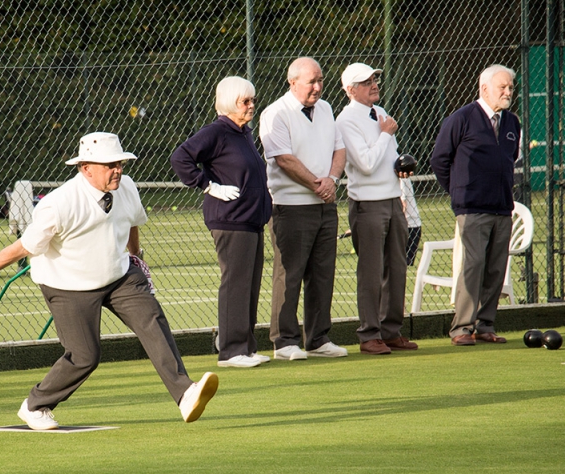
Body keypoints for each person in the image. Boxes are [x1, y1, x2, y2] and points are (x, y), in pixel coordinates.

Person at [0, 132, 218, 430]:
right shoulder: (59, 204)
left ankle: (185, 393)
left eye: (119, 163)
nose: (117, 169)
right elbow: (24, 247)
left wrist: (137, 256)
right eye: (109, 165)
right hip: (67, 284)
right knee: (85, 356)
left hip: (118, 274)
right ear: (85, 168)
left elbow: (131, 221)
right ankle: (35, 405)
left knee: (151, 318)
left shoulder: (127, 187)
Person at [170, 76, 273, 368]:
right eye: (245, 101)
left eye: (253, 100)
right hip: (231, 220)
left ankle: (246, 347)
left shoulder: (244, 133)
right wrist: (208, 185)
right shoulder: (217, 131)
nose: (252, 105)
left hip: (251, 220)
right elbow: (181, 157)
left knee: (250, 284)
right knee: (236, 283)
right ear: (230, 103)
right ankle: (230, 351)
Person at [259, 57, 348, 361]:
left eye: (321, 80)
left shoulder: (325, 109)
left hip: (326, 205)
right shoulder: (275, 113)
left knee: (323, 274)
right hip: (290, 207)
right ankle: (284, 342)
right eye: (312, 81)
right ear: (292, 82)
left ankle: (318, 338)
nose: (318, 87)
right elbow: (283, 159)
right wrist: (317, 184)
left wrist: (332, 179)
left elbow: (340, 148)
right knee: (290, 274)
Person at [430, 64, 520, 346]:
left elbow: (510, 159)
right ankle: (461, 328)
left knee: (496, 268)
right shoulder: (461, 118)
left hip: (502, 208)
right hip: (471, 208)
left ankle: (485, 326)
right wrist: (460, 192)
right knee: (473, 265)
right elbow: (439, 160)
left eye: (510, 88)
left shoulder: (511, 122)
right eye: (502, 88)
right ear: (484, 89)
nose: (508, 92)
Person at [336, 62, 418, 355]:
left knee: (397, 266)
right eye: (366, 82)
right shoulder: (346, 120)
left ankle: (391, 331)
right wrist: (385, 134)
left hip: (392, 200)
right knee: (371, 271)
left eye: (374, 79)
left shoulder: (381, 114)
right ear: (350, 90)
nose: (374, 84)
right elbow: (366, 164)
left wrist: (401, 168)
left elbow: (387, 159)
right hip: (367, 204)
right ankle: (369, 335)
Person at [400, 176, 423, 266]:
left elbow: (402, 205)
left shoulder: (400, 176)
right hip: (412, 225)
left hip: (408, 226)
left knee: (402, 266)